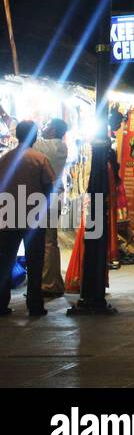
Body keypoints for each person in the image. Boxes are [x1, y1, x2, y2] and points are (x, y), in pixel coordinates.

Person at [0, 121, 53, 317]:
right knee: (35, 262)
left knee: (5, 262)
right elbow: (49, 187)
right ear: (35, 136)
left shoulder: (5, 158)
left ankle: (1, 304)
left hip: (7, 216)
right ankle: (35, 306)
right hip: (33, 218)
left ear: (17, 135)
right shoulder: (40, 158)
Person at [32, 119, 70, 299]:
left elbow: (27, 136)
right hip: (52, 197)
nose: (42, 128)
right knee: (50, 239)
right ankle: (52, 281)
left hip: (47, 197)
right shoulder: (60, 146)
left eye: (45, 125)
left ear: (53, 130)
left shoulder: (52, 146)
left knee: (47, 240)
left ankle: (48, 284)